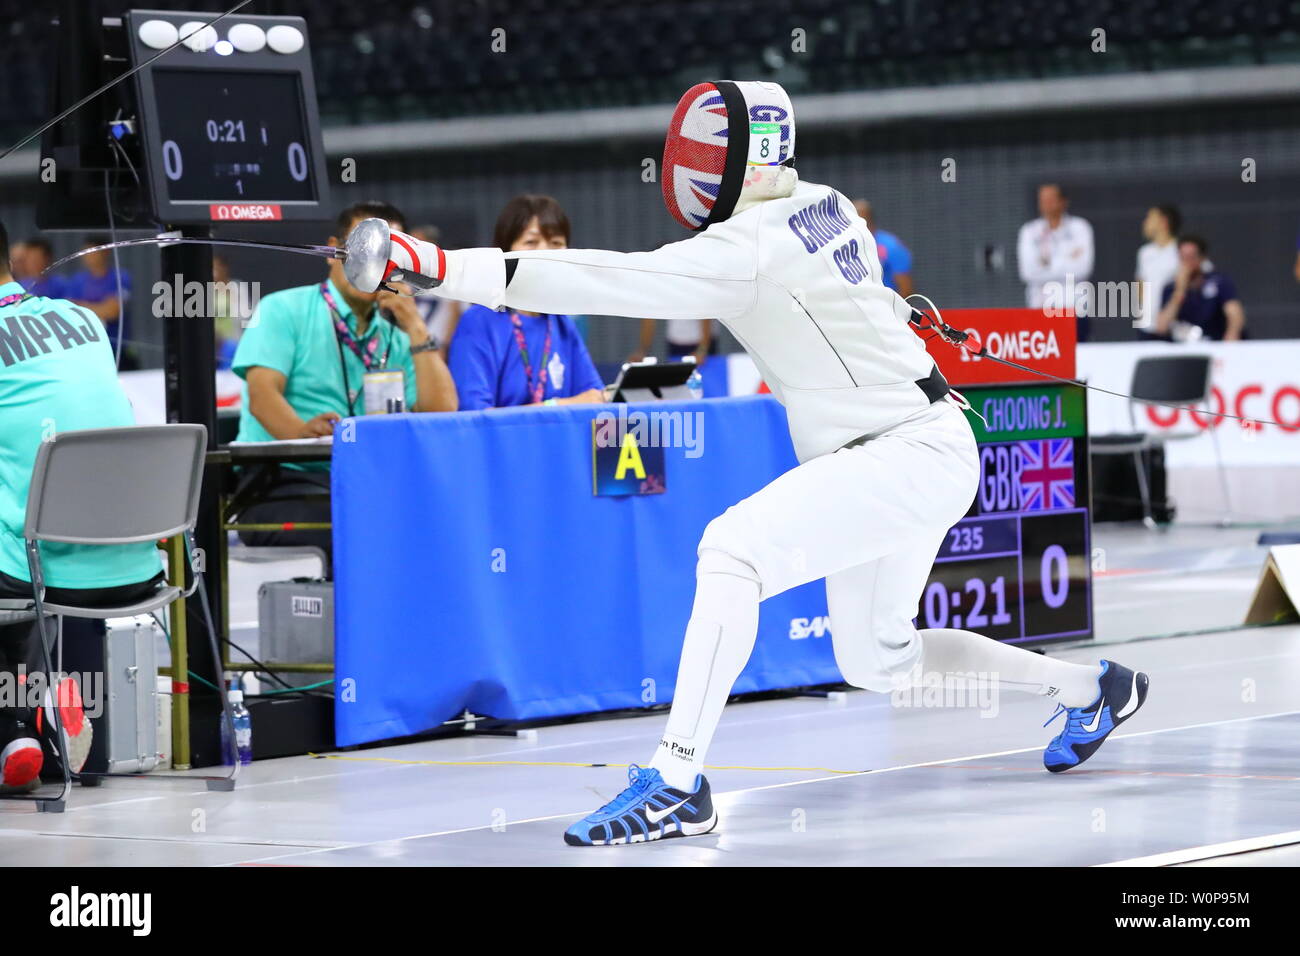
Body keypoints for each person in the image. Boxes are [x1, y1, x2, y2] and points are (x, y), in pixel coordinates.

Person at [349, 81, 1149, 846]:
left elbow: (588, 275)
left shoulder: (745, 250)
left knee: (732, 549)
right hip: (924, 444)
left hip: (901, 453)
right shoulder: (827, 205)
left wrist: (435, 262)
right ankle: (1092, 688)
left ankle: (679, 779)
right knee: (878, 659)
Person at [0, 217, 163, 791]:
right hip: (136, 563)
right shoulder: (82, 318)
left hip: (45, 572)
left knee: (14, 546)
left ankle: (22, 715)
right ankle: (22, 728)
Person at [231, 201, 458, 568]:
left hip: (369, 483)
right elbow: (261, 396)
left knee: (447, 520)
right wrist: (302, 431)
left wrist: (416, 326)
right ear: (332, 251)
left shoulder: (396, 335)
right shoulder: (281, 309)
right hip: (284, 487)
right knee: (366, 528)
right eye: (367, 249)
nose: (378, 263)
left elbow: (441, 411)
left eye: (391, 253)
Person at [448, 195, 604, 410]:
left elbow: (594, 397)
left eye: (556, 243)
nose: (545, 254)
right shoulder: (478, 322)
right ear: (505, 251)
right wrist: (556, 405)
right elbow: (476, 418)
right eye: (531, 242)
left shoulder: (560, 321)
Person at [1016, 183, 1094, 341]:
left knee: (1078, 359)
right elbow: (1028, 272)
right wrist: (1067, 259)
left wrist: (1046, 263)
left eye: (1051, 199)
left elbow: (1083, 268)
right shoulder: (1029, 231)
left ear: (1063, 202)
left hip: (1074, 309)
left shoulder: (1080, 227)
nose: (1046, 204)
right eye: (1042, 200)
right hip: (1040, 308)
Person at [62, 236, 136, 369]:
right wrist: (101, 307)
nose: (89, 257)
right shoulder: (77, 281)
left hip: (117, 348)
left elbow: (113, 311)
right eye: (86, 252)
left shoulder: (120, 277)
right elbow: (70, 311)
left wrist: (82, 306)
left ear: (105, 252)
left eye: (93, 252)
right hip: (88, 349)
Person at [1155, 235, 1246, 342]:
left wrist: (1232, 335)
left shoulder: (1219, 282)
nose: (1187, 262)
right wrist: (1180, 290)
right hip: (1184, 348)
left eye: (1191, 257)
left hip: (1216, 343)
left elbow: (1235, 314)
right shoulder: (1170, 288)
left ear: (1202, 258)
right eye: (1183, 257)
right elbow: (1161, 327)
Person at [409, 224, 463, 359]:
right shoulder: (402, 276)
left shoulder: (445, 274)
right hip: (409, 347)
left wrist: (444, 345)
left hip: (436, 346)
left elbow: (454, 311)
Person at [1134, 204, 1181, 337]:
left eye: (1149, 218)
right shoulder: (1145, 252)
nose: (1145, 222)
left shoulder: (1181, 251)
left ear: (1163, 222)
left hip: (1173, 327)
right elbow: (1140, 282)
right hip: (1147, 327)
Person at [853, 199, 914, 297]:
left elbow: (906, 288)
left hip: (885, 307)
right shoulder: (845, 247)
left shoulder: (891, 246)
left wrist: (893, 310)